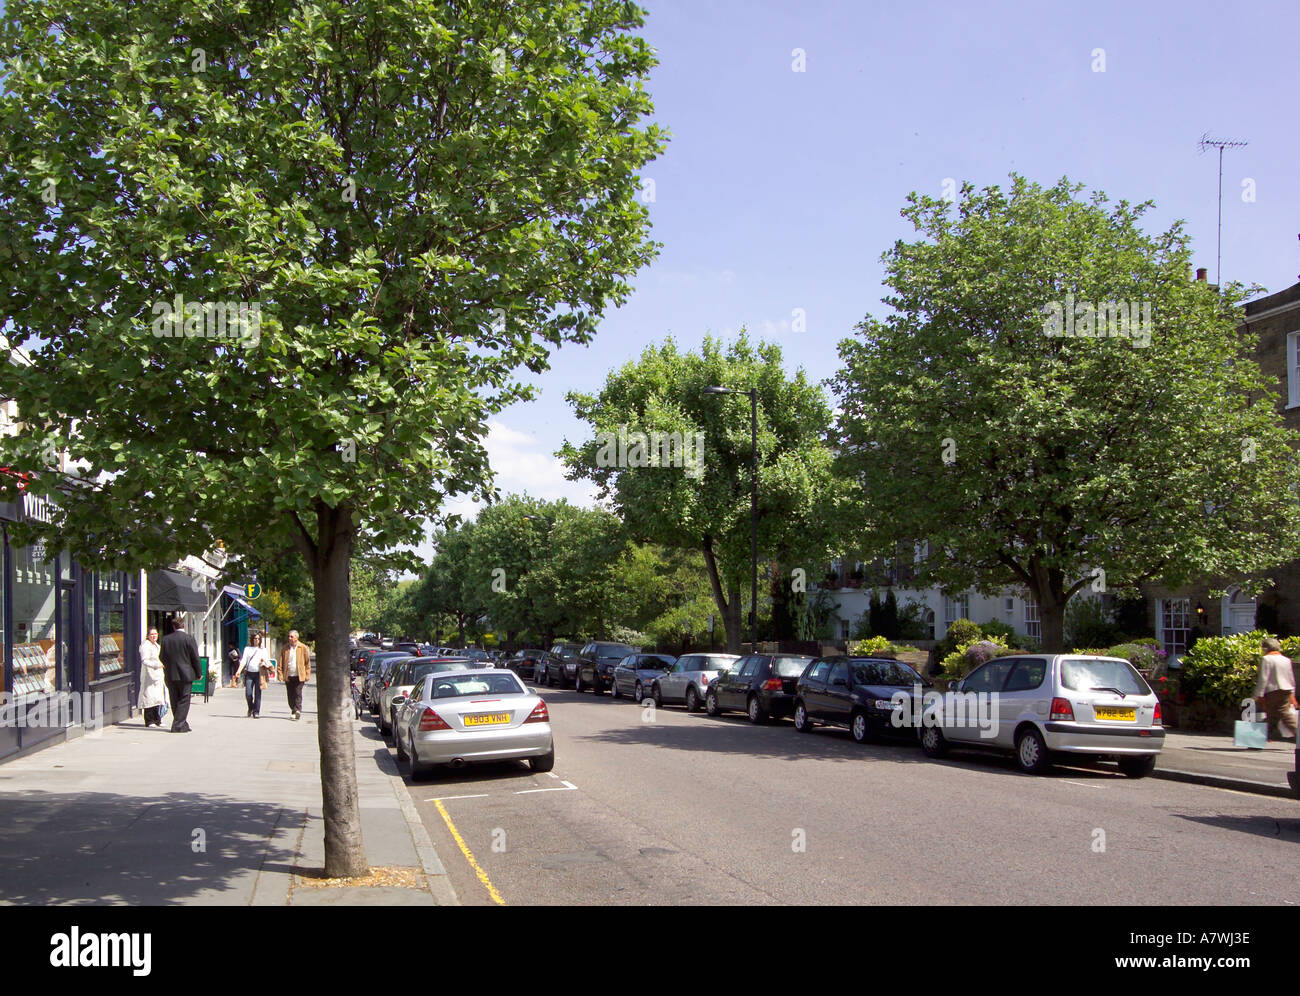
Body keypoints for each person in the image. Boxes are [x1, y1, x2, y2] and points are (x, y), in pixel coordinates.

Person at [159, 615, 201, 733]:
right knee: (184, 699)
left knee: (174, 699)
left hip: (170, 674)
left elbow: (161, 657)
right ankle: (177, 725)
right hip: (186, 674)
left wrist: (168, 667)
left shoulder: (166, 639)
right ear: (183, 625)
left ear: (173, 626)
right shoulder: (189, 639)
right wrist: (199, 672)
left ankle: (183, 724)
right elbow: (195, 658)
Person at [1255, 638, 1298, 741]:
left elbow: (1263, 678)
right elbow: (1291, 678)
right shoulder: (1286, 660)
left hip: (1273, 691)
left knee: (1283, 714)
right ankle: (1260, 738)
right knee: (1272, 715)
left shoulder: (1266, 659)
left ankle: (1297, 733)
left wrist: (1258, 694)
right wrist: (1292, 694)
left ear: (1265, 648)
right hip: (1286, 690)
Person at [277, 629, 311, 720]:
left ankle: (297, 710)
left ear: (296, 638)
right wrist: (280, 673)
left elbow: (307, 662)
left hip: (299, 675)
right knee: (290, 695)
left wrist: (307, 674)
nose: (289, 638)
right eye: (289, 636)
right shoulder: (285, 648)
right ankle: (294, 709)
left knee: (297, 692)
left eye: (291, 636)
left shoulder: (302, 647)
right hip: (288, 675)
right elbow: (280, 662)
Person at [233, 632, 268, 718]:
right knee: (248, 693)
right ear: (252, 639)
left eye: (258, 639)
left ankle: (256, 712)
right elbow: (243, 661)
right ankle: (251, 707)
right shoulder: (247, 649)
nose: (257, 640)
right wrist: (238, 671)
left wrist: (263, 662)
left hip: (259, 674)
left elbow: (267, 661)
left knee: (258, 693)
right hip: (249, 673)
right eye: (255, 638)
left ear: (260, 640)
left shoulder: (263, 650)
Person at [137, 627, 166, 727]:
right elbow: (144, 660)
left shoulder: (157, 645)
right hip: (149, 675)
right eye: (152, 634)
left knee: (157, 697)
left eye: (155, 634)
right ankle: (149, 720)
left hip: (157, 675)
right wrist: (156, 665)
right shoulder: (146, 646)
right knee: (149, 697)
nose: (154, 636)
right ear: (148, 636)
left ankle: (157, 719)